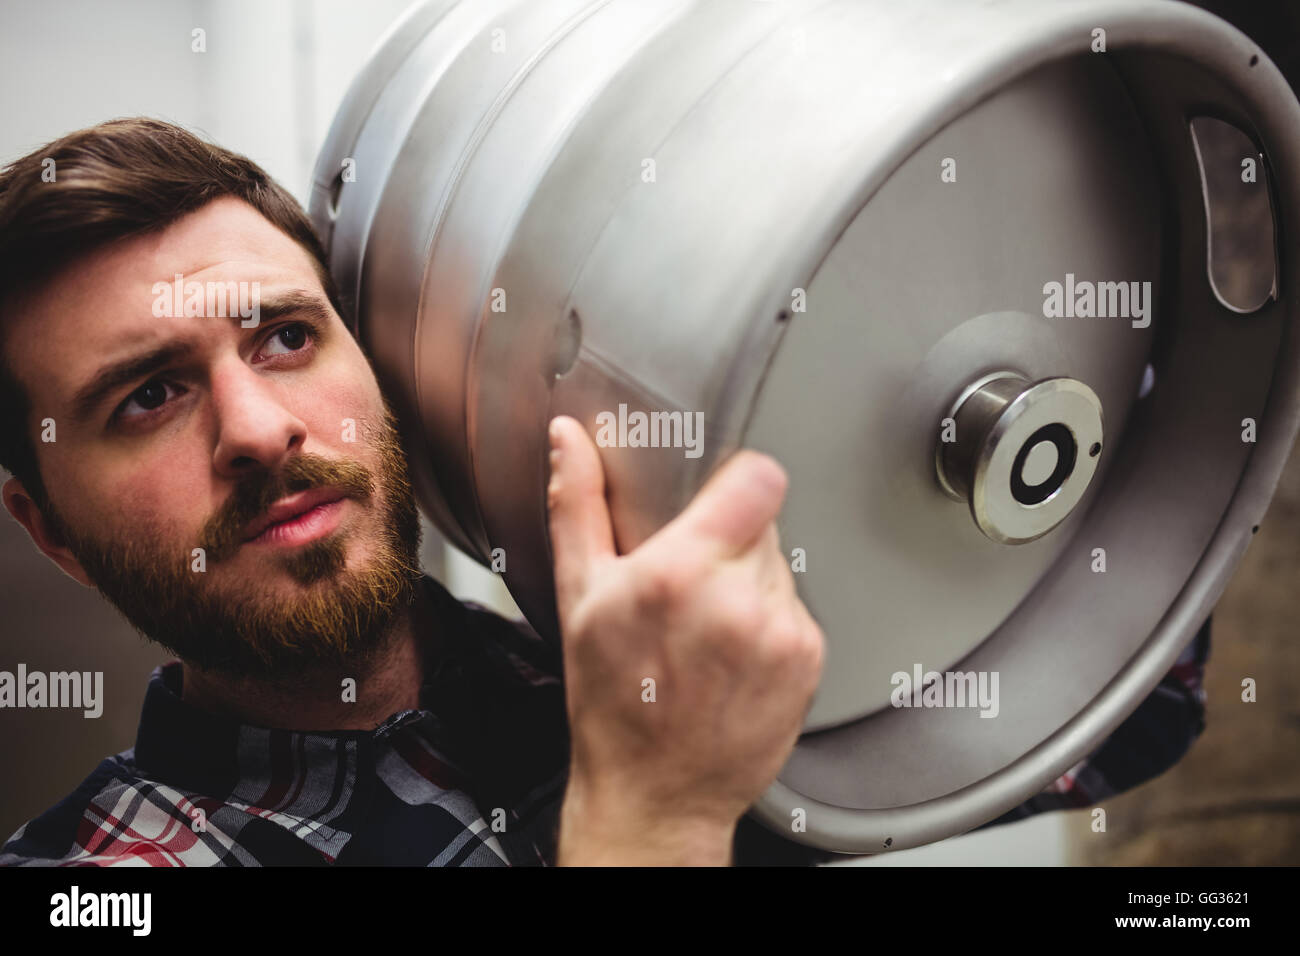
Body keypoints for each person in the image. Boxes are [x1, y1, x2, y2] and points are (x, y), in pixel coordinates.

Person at [0, 119, 1207, 866]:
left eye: (283, 337)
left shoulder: (610, 677)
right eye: (148, 396)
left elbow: (1128, 719)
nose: (259, 429)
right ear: (49, 527)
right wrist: (657, 817)